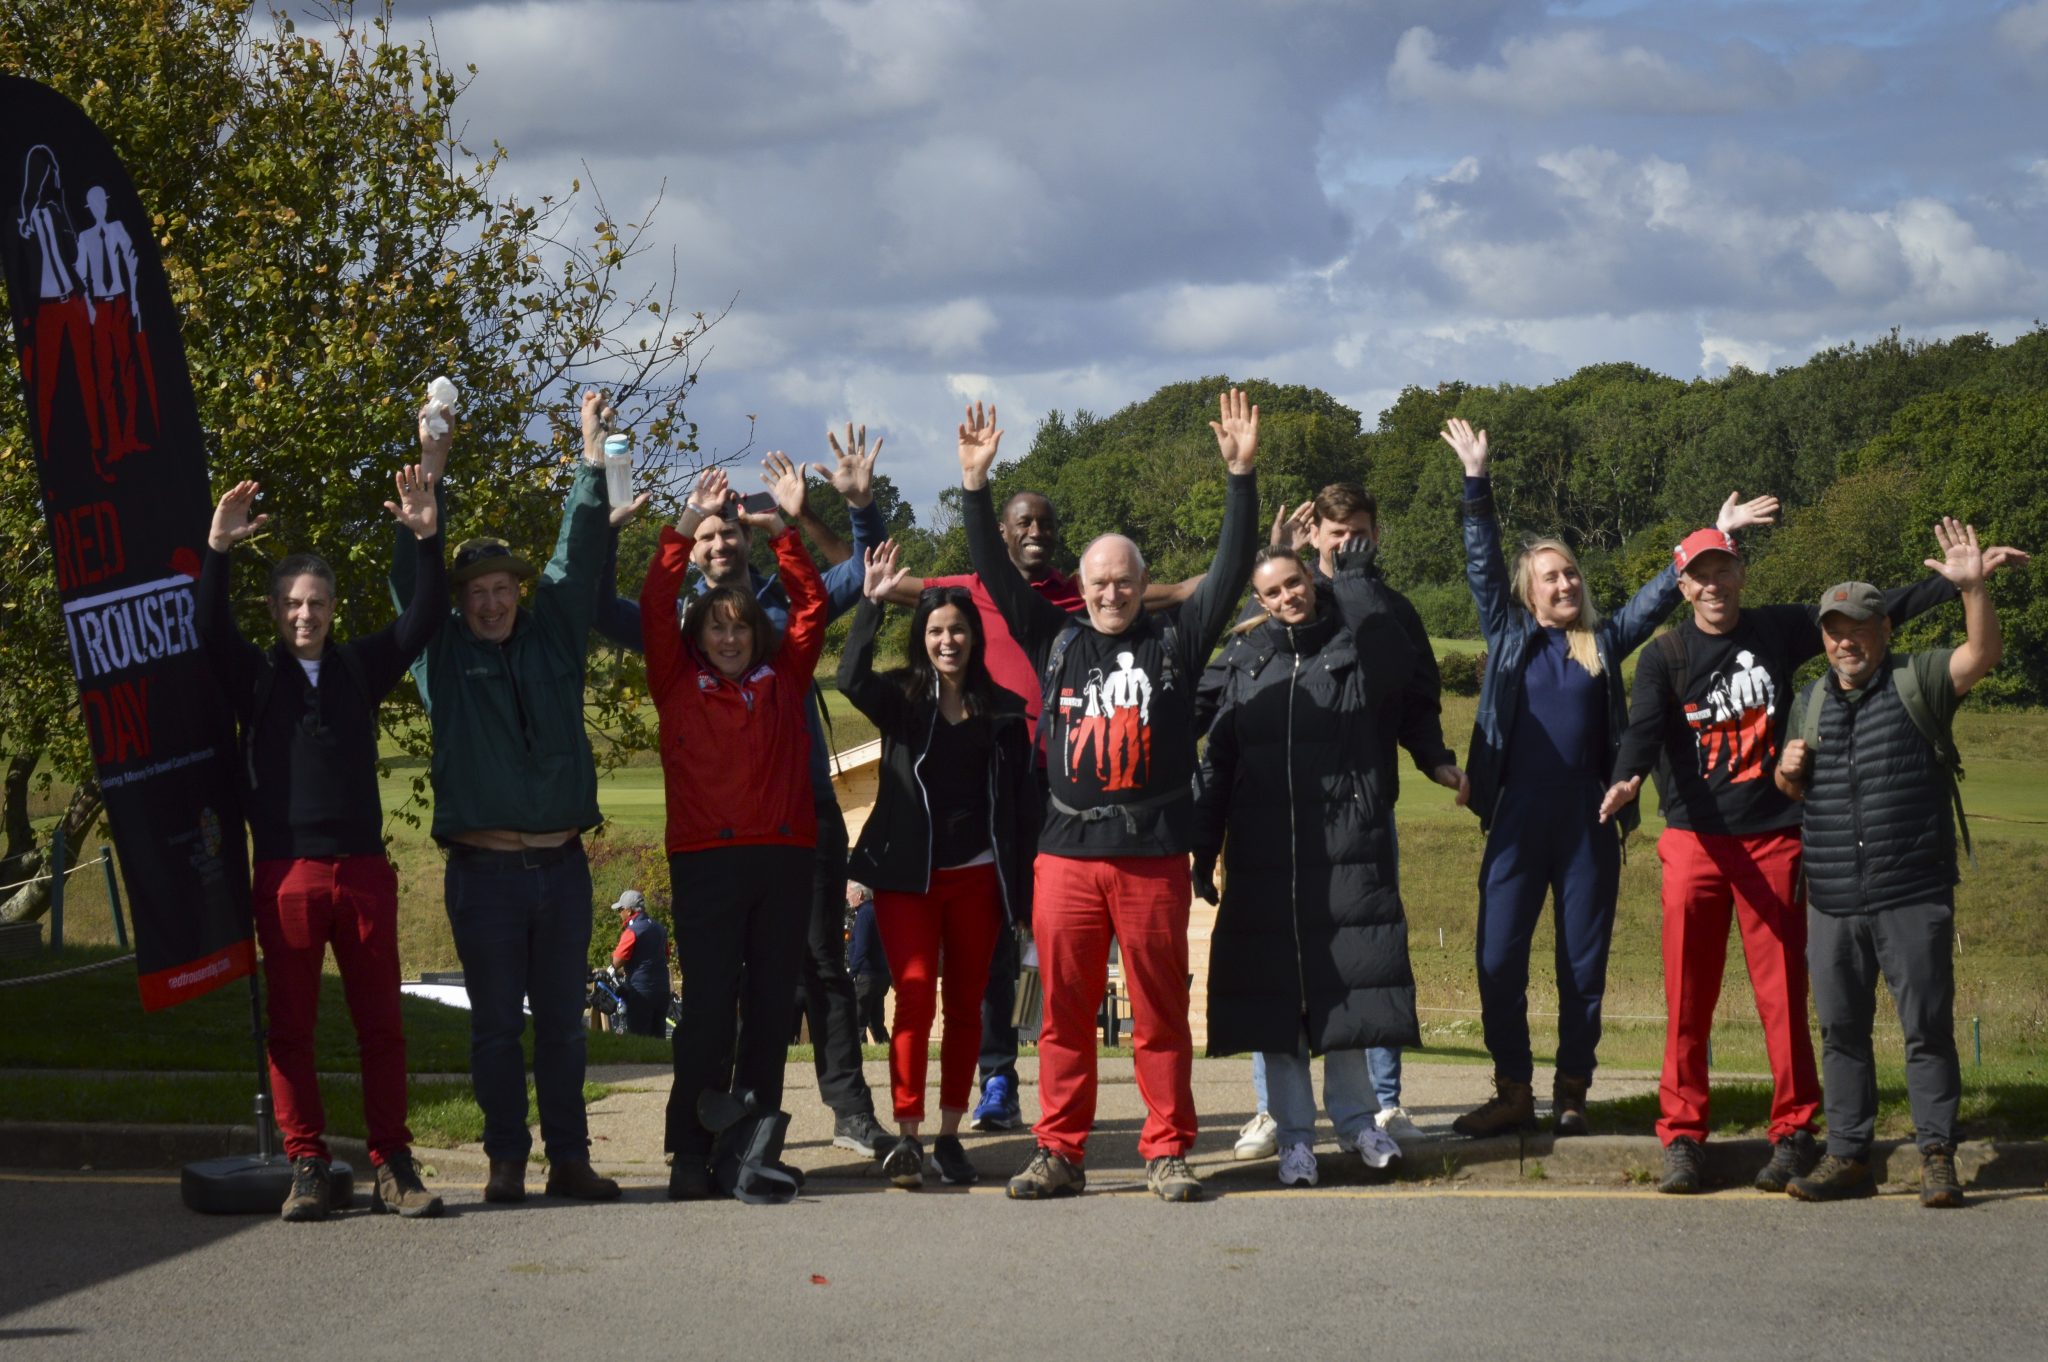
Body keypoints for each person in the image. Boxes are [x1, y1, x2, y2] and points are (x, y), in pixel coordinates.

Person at [1600, 517, 2019, 1195]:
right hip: (1694, 840)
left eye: (1722, 571)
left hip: (1773, 836)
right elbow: (1645, 727)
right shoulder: (1665, 654)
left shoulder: (1779, 628)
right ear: (1682, 586)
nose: (1712, 585)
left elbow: (1878, 610)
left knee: (1785, 999)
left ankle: (1794, 1131)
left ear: (1740, 574)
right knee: (1686, 997)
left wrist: (1958, 586)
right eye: (1698, 576)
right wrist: (1625, 776)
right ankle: (1682, 1137)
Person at [958, 392, 1259, 1203]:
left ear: (1141, 584)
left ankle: (1166, 1151)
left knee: (1161, 1015)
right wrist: (977, 490)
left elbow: (1231, 572)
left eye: (1125, 583)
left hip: (1154, 853)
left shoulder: (1178, 642)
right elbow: (989, 569)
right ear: (1081, 587)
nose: (1112, 595)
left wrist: (1240, 477)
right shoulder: (1053, 637)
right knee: (1062, 1016)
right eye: (1099, 582)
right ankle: (1059, 1151)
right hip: (1066, 857)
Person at [1441, 418, 1779, 1137]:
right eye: (1549, 576)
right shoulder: (1508, 639)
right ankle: (1511, 1093)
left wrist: (1709, 531)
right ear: (1528, 593)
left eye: (1570, 573)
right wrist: (1477, 483)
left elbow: (1662, 594)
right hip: (1514, 824)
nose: (1564, 582)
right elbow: (1479, 561)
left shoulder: (1603, 641)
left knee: (1581, 967)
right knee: (1498, 960)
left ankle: (1571, 1093)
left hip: (1588, 826)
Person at [597, 428, 895, 1161]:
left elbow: (861, 572)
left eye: (731, 529)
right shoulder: (675, 645)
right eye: (708, 534)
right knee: (710, 998)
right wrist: (649, 527)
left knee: (812, 973)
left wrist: (833, 511)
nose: (720, 542)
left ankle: (825, 1119)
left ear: (748, 539)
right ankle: (700, 1136)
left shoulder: (782, 624)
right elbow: (613, 605)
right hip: (712, 846)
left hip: (794, 824)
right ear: (696, 551)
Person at [879, 488, 1201, 1134]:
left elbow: (1188, 591)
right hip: (1010, 786)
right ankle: (1018, 1098)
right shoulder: (995, 600)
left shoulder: (1078, 606)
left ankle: (1137, 1130)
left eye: (1045, 523)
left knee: (1035, 952)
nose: (1036, 531)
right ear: (1003, 530)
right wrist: (961, 489)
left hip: (1081, 802)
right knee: (1012, 957)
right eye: (1023, 521)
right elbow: (884, 583)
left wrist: (1264, 554)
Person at [198, 440, 447, 1223]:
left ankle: (393, 1165)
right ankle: (306, 1163)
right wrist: (218, 550)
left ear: (334, 610)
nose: (306, 615)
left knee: (382, 1027)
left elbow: (426, 616)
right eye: (293, 604)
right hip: (286, 876)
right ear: (275, 612)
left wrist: (427, 536)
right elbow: (208, 628)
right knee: (292, 1030)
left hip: (363, 873)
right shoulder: (257, 676)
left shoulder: (358, 669)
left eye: (319, 603)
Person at [392, 388, 621, 1205]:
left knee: (563, 1025)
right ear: (458, 601)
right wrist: (435, 469)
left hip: (562, 869)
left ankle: (569, 1158)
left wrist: (592, 456)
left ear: (519, 592)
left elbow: (578, 551)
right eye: (475, 590)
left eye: (503, 587)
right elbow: (406, 578)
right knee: (496, 1029)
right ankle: (505, 1161)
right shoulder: (440, 658)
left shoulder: (554, 635)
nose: (492, 599)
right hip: (483, 877)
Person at [1199, 480, 1463, 1158]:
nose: (1349, 545)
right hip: (1272, 829)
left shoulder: (1384, 608)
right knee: (1275, 975)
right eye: (1337, 534)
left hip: (1357, 817)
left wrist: (1436, 762)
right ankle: (1274, 1114)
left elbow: (1413, 699)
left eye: (1361, 534)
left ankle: (1379, 1105)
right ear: (1314, 534)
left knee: (1359, 967)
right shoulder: (1254, 635)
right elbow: (1215, 728)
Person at [1774, 521, 2008, 1207]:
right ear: (1823, 637)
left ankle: (1936, 1152)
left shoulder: (1921, 678)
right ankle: (1847, 1155)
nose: (1846, 640)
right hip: (1833, 898)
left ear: (1884, 630)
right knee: (1841, 1031)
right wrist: (1786, 771)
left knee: (1926, 1027)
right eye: (1834, 630)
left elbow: (1983, 653)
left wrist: (1971, 591)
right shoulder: (1809, 700)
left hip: (1912, 889)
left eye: (1859, 627)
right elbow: (1792, 789)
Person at [644, 465, 829, 1200]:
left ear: (759, 631)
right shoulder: (675, 679)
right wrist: (689, 521)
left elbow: (811, 601)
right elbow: (657, 602)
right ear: (699, 634)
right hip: (707, 861)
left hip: (783, 857)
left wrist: (780, 530)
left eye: (740, 626)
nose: (727, 636)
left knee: (771, 1013)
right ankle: (690, 1151)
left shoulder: (784, 676)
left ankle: (752, 1147)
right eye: (716, 626)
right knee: (711, 1011)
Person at [838, 541, 1037, 1189]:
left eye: (956, 629)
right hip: (908, 879)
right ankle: (907, 1135)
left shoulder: (1003, 711)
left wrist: (1025, 898)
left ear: (973, 636)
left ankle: (951, 1137)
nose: (946, 640)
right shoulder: (903, 702)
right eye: (934, 631)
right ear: (921, 639)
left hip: (980, 878)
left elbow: (1019, 809)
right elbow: (848, 678)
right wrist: (869, 602)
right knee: (916, 994)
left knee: (970, 1006)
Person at [608, 889, 671, 1038]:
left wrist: (613, 967)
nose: (619, 914)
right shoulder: (660, 928)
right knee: (658, 1039)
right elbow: (666, 958)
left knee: (639, 1039)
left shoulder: (632, 930)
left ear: (629, 911)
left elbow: (617, 960)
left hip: (641, 992)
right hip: (662, 990)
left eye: (620, 910)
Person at [847, 883, 891, 1046]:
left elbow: (862, 948)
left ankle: (859, 1058)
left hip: (867, 976)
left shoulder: (865, 914)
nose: (847, 897)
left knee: (857, 1023)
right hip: (881, 975)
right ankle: (888, 1052)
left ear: (859, 895)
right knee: (876, 1022)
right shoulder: (877, 911)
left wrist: (851, 973)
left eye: (849, 893)